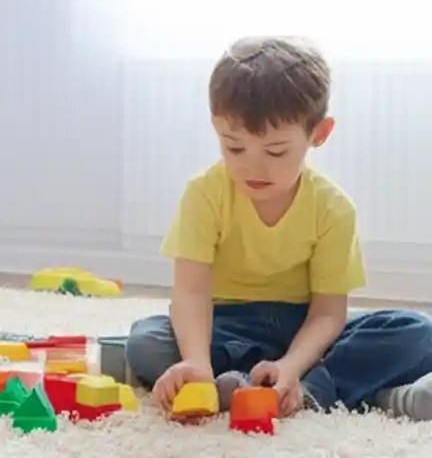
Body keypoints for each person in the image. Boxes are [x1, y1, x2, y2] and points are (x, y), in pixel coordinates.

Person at [125, 36, 432, 419]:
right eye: (234, 148)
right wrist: (196, 361)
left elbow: (327, 313)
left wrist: (292, 364)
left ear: (319, 133)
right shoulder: (204, 194)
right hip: (225, 324)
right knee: (146, 341)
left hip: (301, 328)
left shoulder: (333, 209)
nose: (252, 167)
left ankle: (299, 387)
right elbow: (191, 292)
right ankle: (298, 387)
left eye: (275, 151)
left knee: (418, 332)